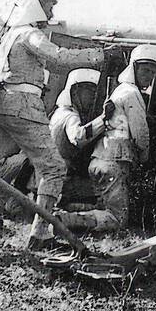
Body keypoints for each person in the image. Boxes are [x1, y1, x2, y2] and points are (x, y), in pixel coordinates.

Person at [0, 0, 101, 246]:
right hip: (24, 109)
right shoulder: (29, 35)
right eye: (48, 5)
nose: (51, 11)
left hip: (2, 107)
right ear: (35, 4)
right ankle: (39, 234)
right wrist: (97, 56)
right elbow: (58, 57)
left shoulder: (11, 34)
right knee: (55, 168)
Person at [28, 67, 118, 247]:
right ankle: (64, 217)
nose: (92, 97)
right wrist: (102, 119)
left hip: (42, 179)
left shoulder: (58, 112)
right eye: (88, 92)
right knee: (101, 197)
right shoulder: (70, 116)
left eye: (94, 92)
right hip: (61, 181)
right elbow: (78, 137)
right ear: (75, 92)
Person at [88, 44, 156, 227]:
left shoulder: (120, 90)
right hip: (115, 162)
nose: (148, 76)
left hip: (99, 157)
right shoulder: (132, 94)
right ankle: (63, 219)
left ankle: (61, 215)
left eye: (151, 72)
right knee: (117, 218)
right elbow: (140, 131)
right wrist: (144, 154)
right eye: (145, 70)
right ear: (134, 68)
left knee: (103, 207)